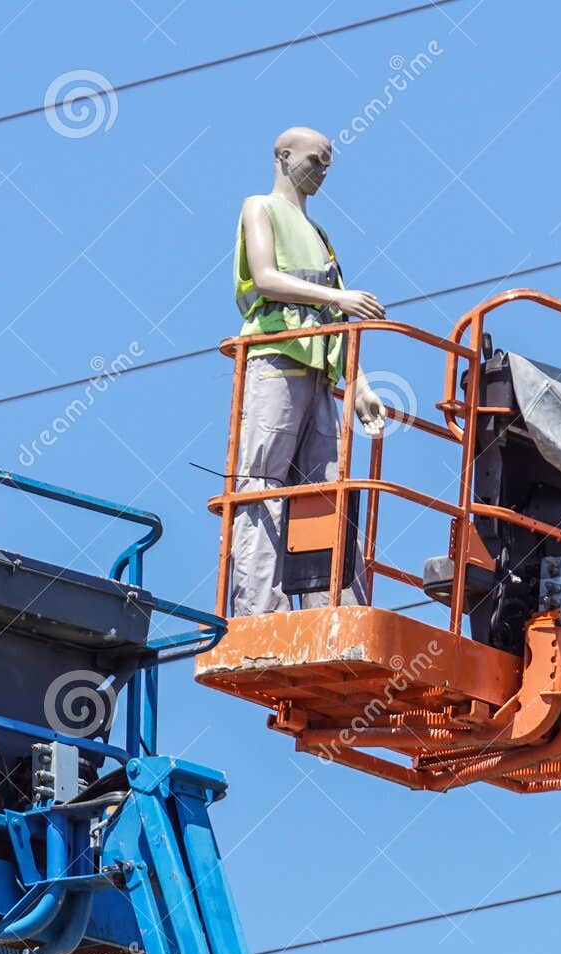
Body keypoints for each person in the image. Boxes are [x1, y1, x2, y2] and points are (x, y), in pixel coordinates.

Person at [228, 126, 386, 617]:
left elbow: (335, 323)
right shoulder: (260, 206)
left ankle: (335, 612)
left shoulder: (321, 236)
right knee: (264, 480)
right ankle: (259, 609)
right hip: (276, 361)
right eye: (315, 160)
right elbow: (267, 276)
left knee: (328, 488)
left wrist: (358, 387)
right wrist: (338, 296)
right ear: (283, 155)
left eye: (327, 164)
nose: (322, 171)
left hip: (319, 372)